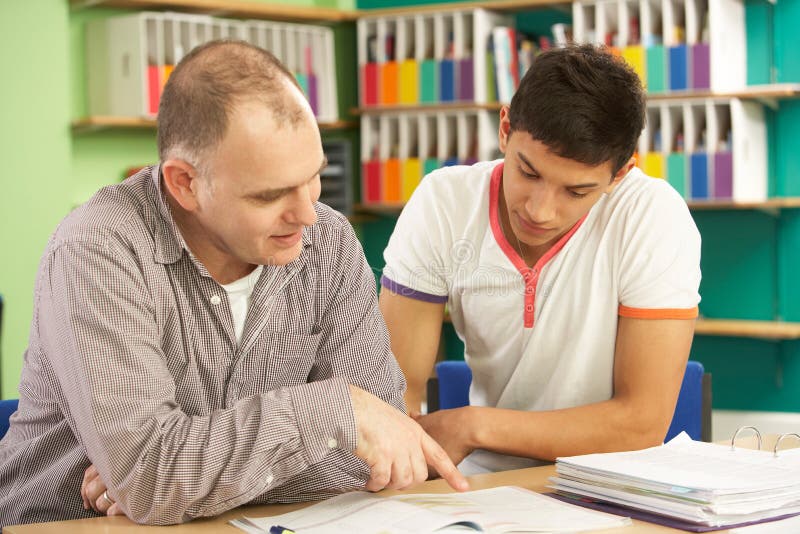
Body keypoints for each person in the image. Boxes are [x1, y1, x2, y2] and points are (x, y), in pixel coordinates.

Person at [0, 40, 467, 528]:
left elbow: (384, 452)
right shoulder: (99, 251)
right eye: (269, 195)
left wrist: (182, 481)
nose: (307, 213)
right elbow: (152, 478)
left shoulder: (327, 242)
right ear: (185, 183)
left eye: (313, 178)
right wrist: (331, 412)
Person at [379, 44, 701, 474]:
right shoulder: (443, 202)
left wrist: (475, 425)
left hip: (612, 480)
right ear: (505, 129)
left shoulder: (653, 215)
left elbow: (639, 426)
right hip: (481, 489)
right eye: (528, 172)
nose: (539, 210)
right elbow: (392, 394)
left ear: (619, 173)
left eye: (576, 191)